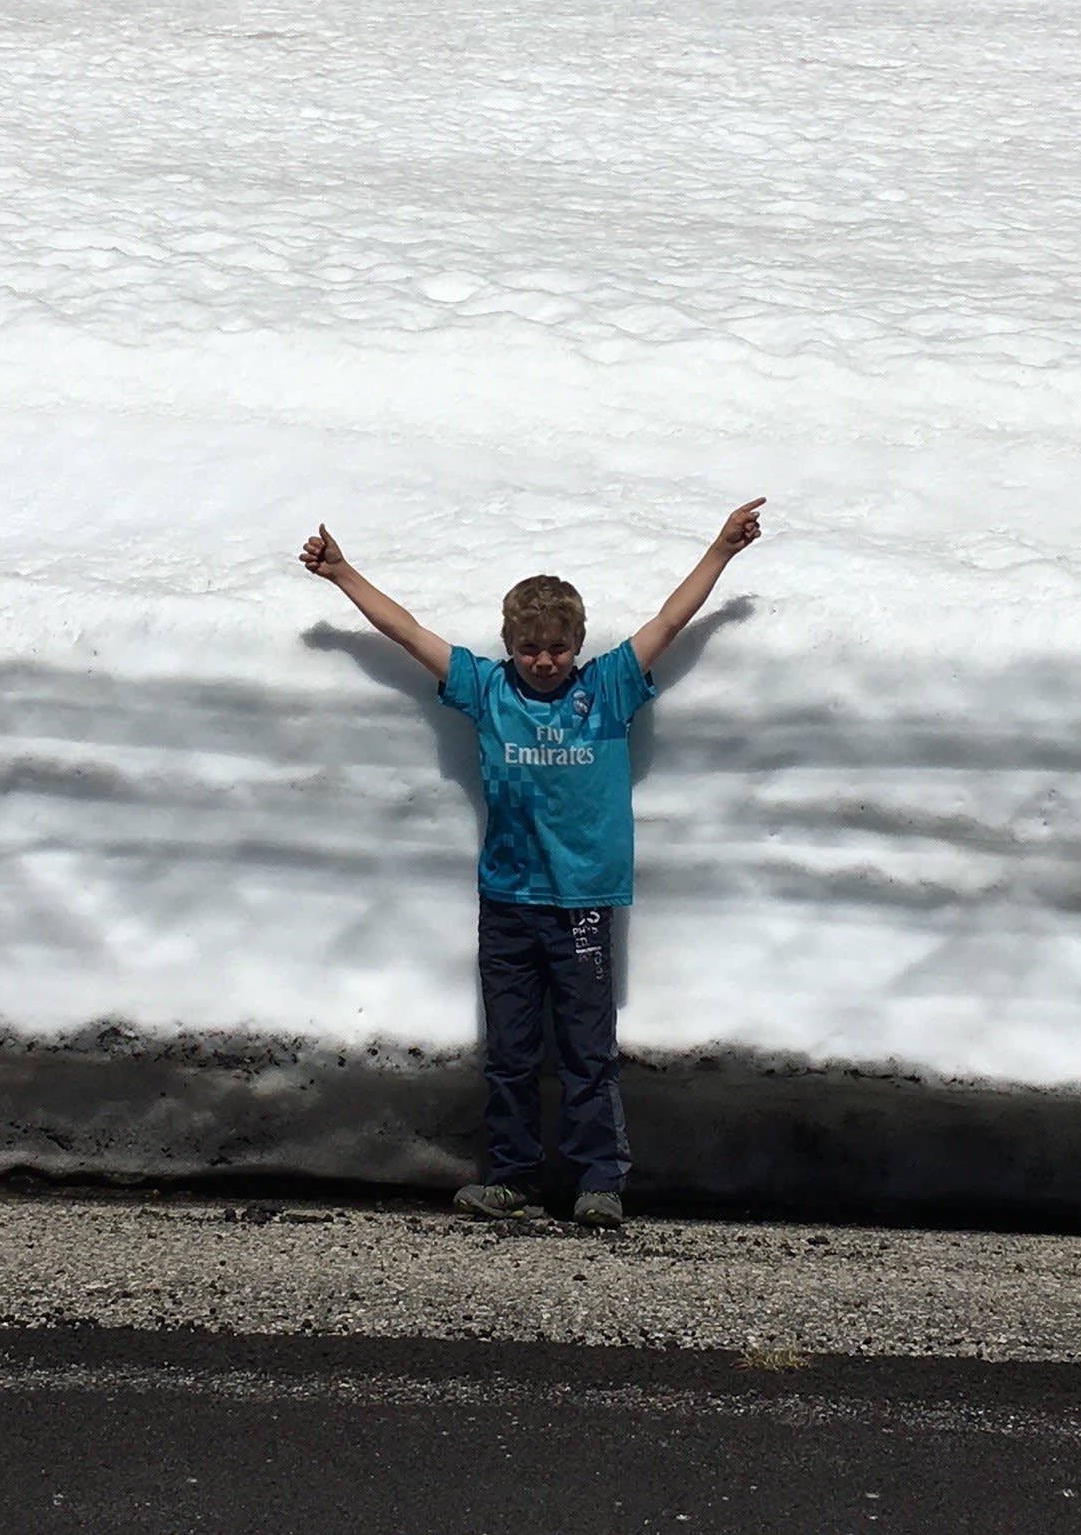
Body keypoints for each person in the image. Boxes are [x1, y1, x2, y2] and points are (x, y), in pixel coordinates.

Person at [299, 499, 766, 1227]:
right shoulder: (488, 691)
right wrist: (342, 573)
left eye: (556, 648)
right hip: (510, 901)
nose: (544, 662)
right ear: (509, 644)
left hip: (582, 900)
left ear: (576, 644)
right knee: (511, 1054)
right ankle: (513, 1177)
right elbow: (410, 633)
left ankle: (599, 1183)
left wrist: (721, 550)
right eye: (530, 649)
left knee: (586, 1051)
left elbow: (669, 623)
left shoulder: (605, 689)